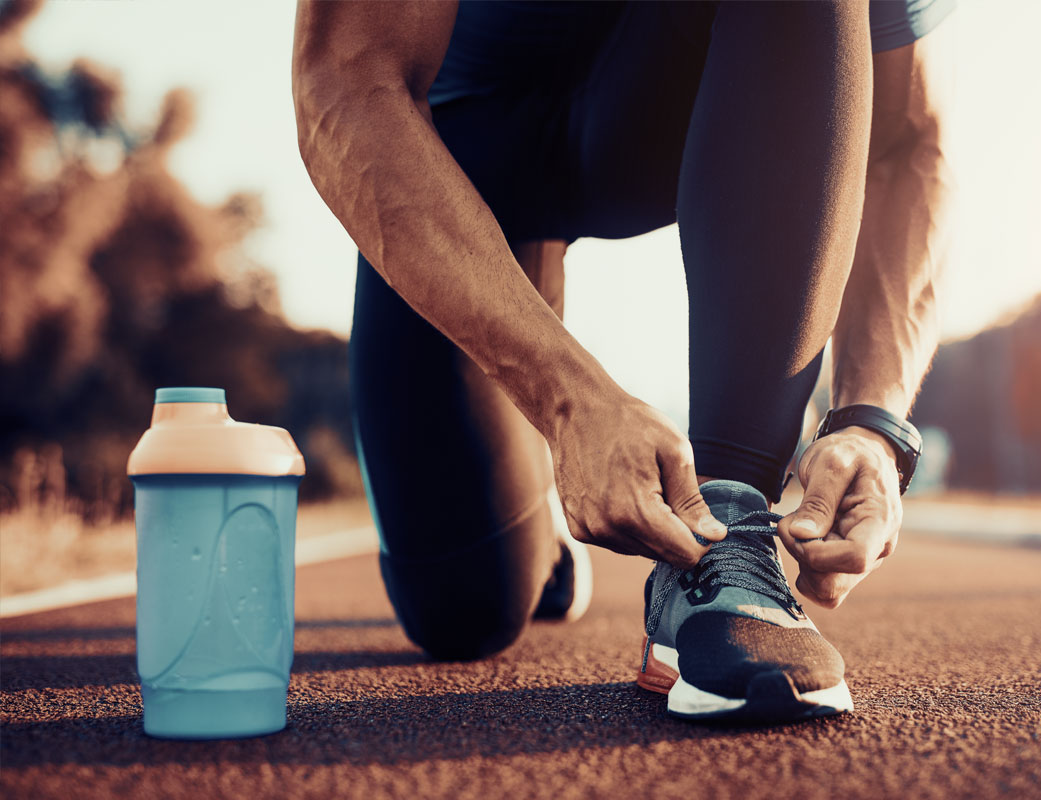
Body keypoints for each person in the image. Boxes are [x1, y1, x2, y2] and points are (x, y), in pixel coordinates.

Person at [293, 0, 953, 723]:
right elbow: (346, 85)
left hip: (659, 117)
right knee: (463, 611)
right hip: (462, 154)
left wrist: (874, 423)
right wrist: (566, 398)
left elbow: (903, 142)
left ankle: (728, 541)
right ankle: (538, 531)